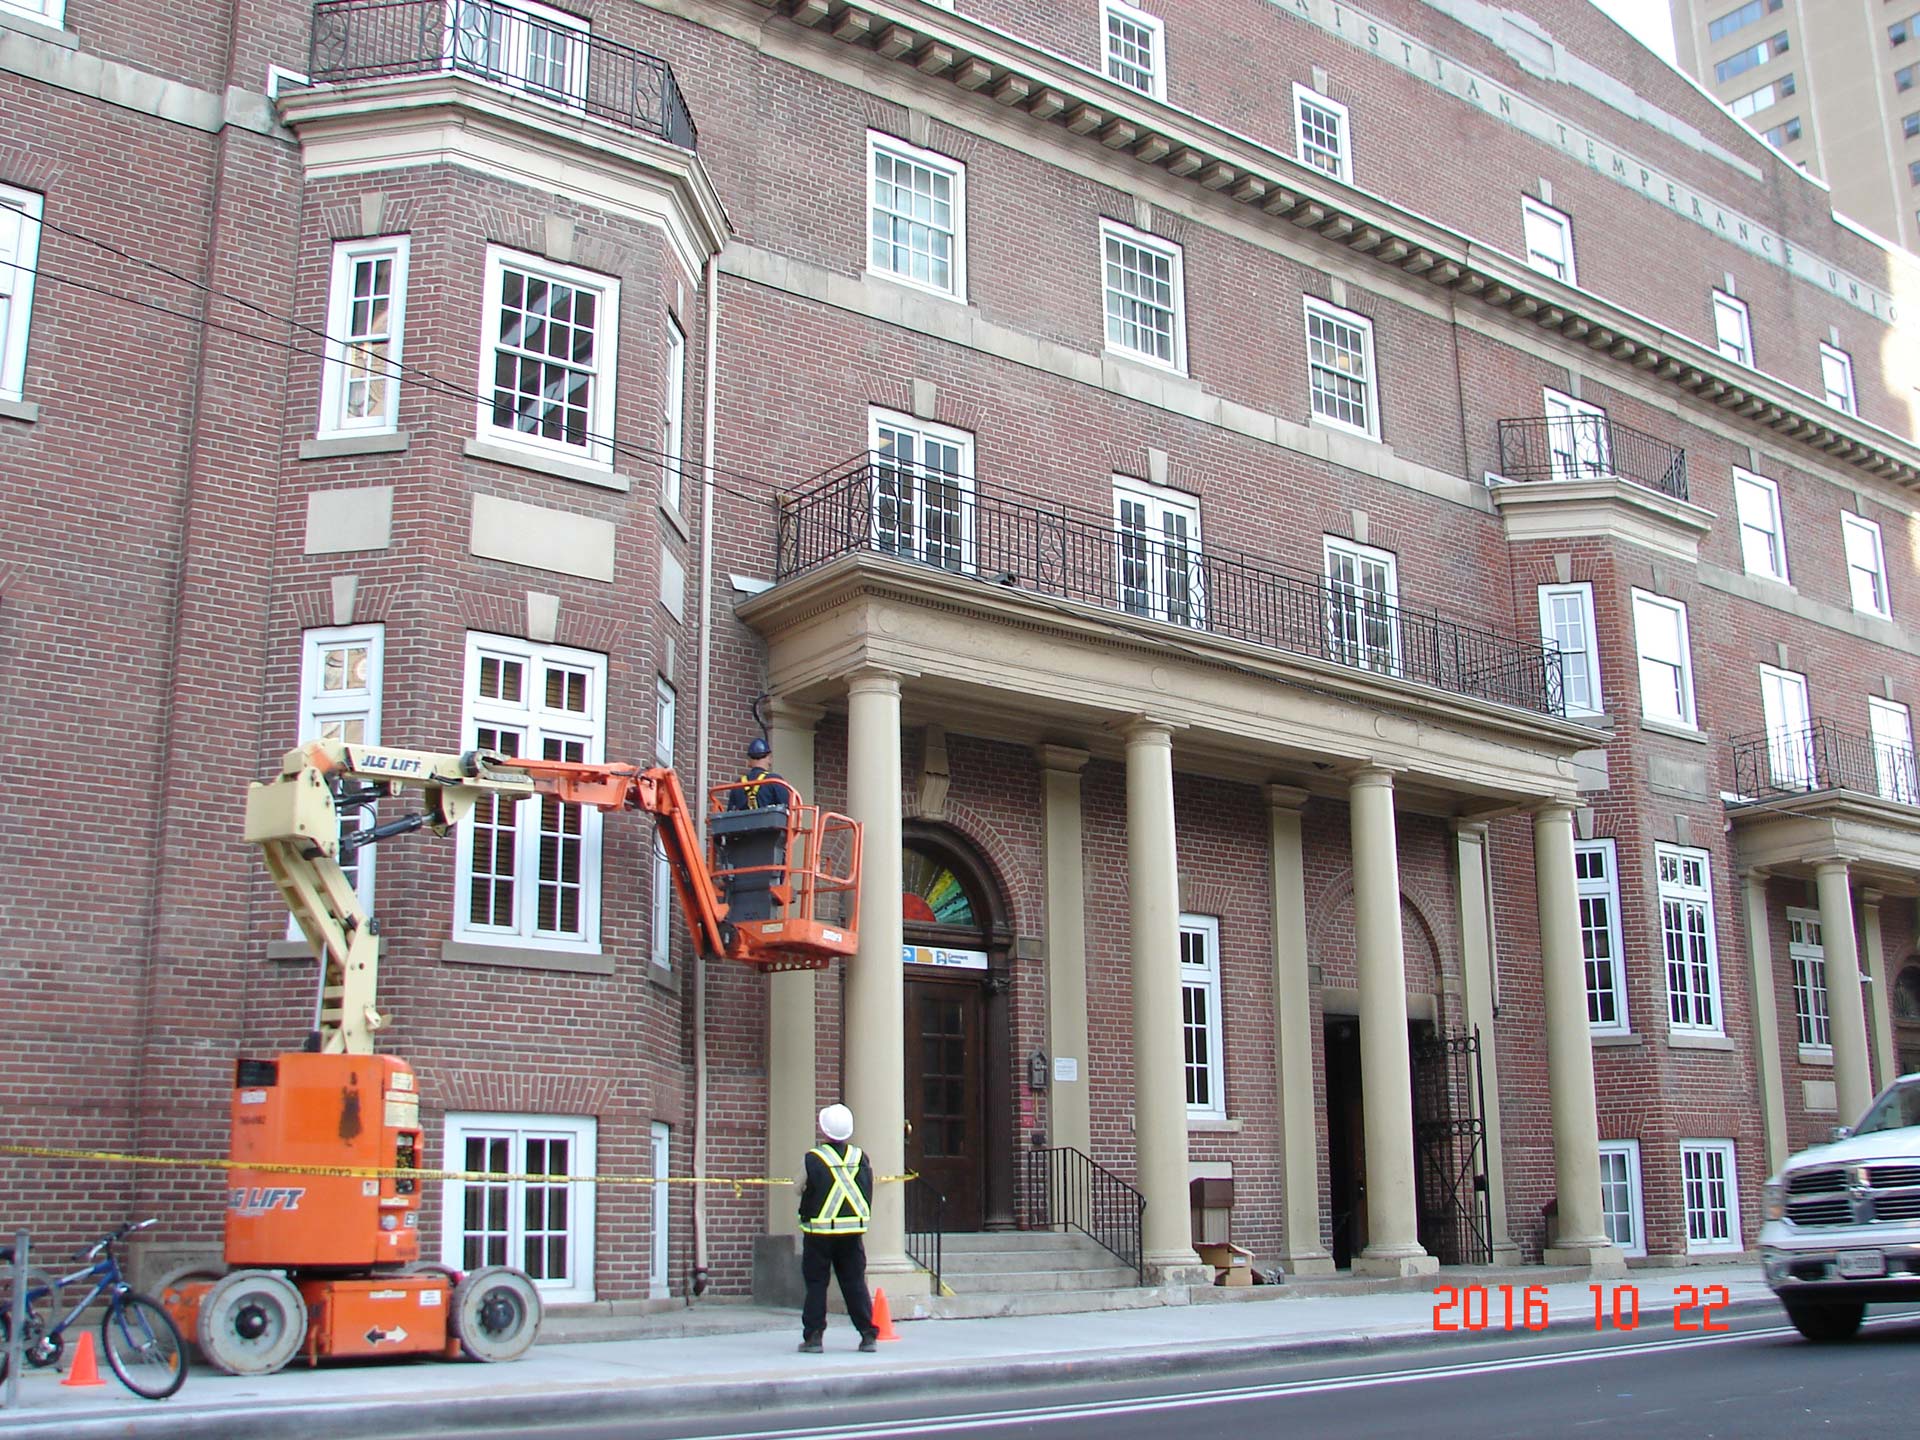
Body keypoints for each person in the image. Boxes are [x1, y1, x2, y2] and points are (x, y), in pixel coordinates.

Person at [797, 1102, 877, 1354]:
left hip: (818, 1233)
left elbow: (798, 1187)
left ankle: (814, 1337)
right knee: (854, 1283)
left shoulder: (813, 1158)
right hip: (852, 1232)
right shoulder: (860, 1157)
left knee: (817, 1284)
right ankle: (867, 1335)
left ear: (824, 1130)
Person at [726, 736, 791, 811]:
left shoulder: (738, 783)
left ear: (749, 761)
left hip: (744, 822)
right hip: (770, 822)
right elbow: (786, 808)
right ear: (769, 758)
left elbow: (730, 812)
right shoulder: (775, 781)